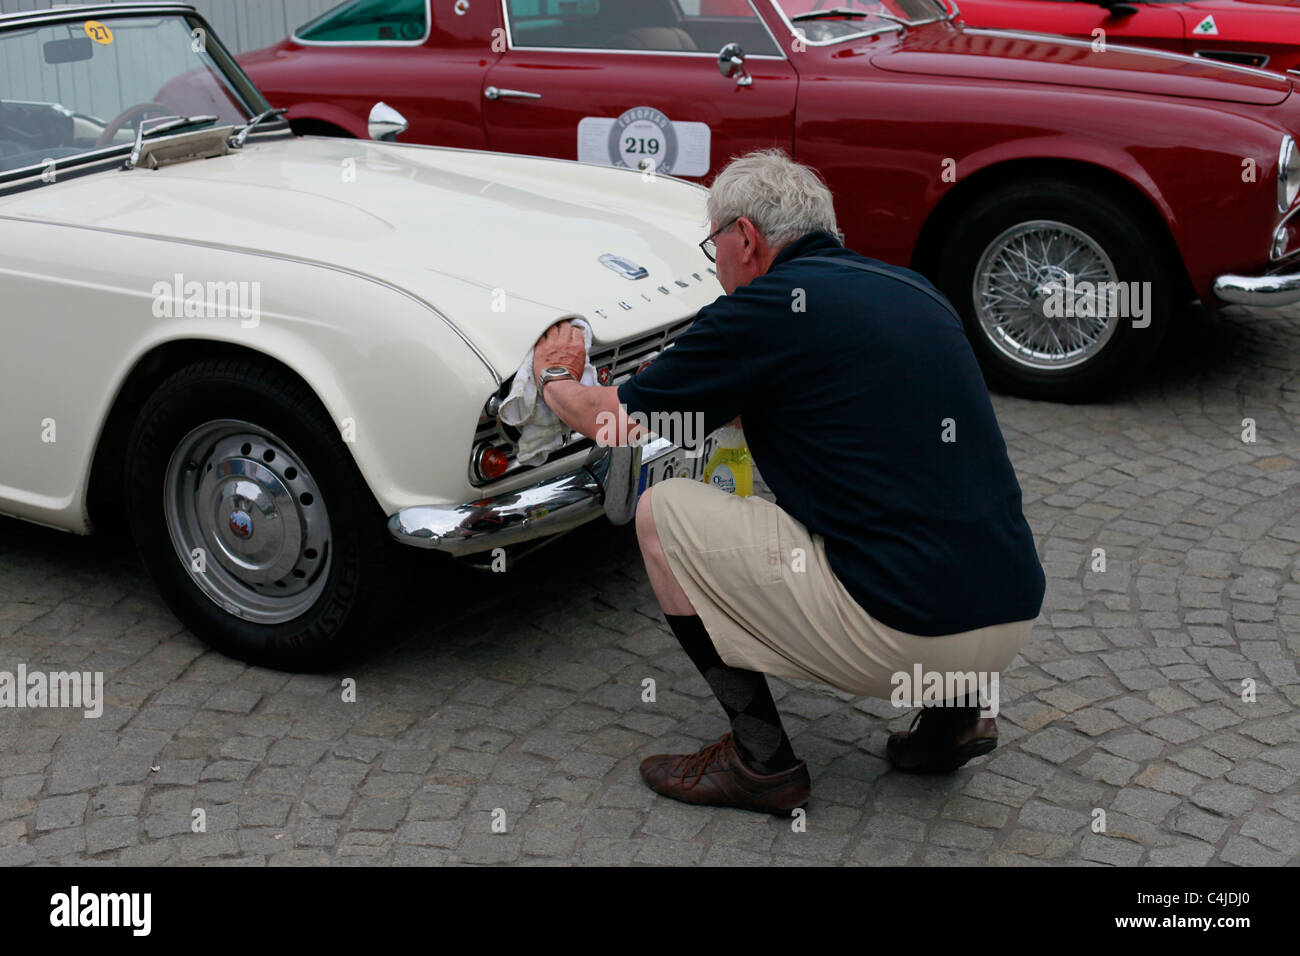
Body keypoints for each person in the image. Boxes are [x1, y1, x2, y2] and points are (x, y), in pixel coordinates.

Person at [531, 148, 1045, 815]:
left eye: (712, 243)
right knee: (921, 501)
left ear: (744, 237)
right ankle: (953, 720)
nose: (713, 262)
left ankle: (761, 762)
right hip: (1008, 619)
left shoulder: (769, 307)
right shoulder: (914, 292)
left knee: (662, 513)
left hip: (901, 629)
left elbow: (612, 425)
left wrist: (557, 377)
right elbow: (821, 406)